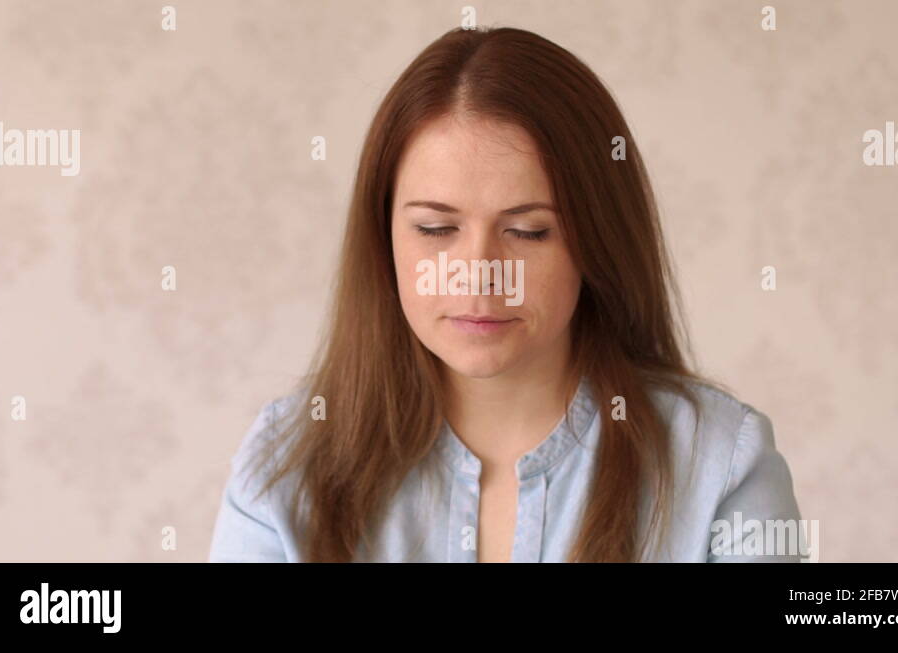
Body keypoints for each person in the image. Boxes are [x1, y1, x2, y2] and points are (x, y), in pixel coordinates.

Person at [208, 25, 803, 563]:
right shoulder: (284, 465)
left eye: (528, 232)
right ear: (382, 237)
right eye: (435, 229)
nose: (478, 275)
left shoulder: (722, 465)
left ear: (597, 237)